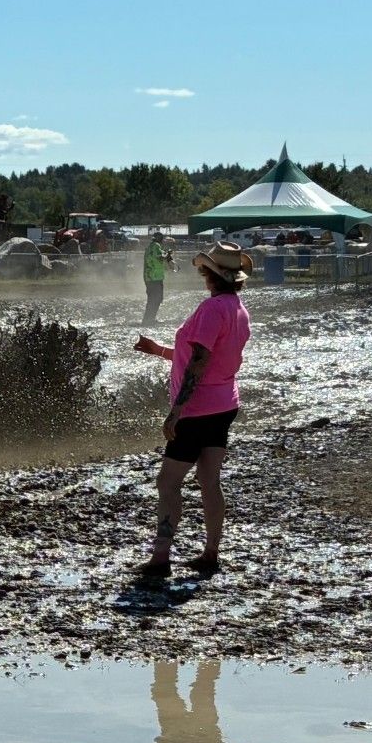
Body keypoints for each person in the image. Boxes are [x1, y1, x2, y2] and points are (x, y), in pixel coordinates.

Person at [132, 240, 253, 577]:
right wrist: (160, 351)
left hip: (197, 409)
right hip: (225, 403)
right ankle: (211, 553)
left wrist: (176, 410)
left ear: (209, 274)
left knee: (168, 483)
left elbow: (199, 361)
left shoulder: (212, 309)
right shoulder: (238, 309)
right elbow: (204, 357)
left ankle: (160, 557)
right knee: (208, 480)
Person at [142, 230, 168, 324]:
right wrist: (167, 256)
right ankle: (149, 320)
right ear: (161, 239)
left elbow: (158, 256)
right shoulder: (156, 246)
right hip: (155, 278)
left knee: (152, 299)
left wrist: (165, 254)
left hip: (149, 277)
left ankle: (148, 319)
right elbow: (160, 257)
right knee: (156, 299)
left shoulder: (150, 247)